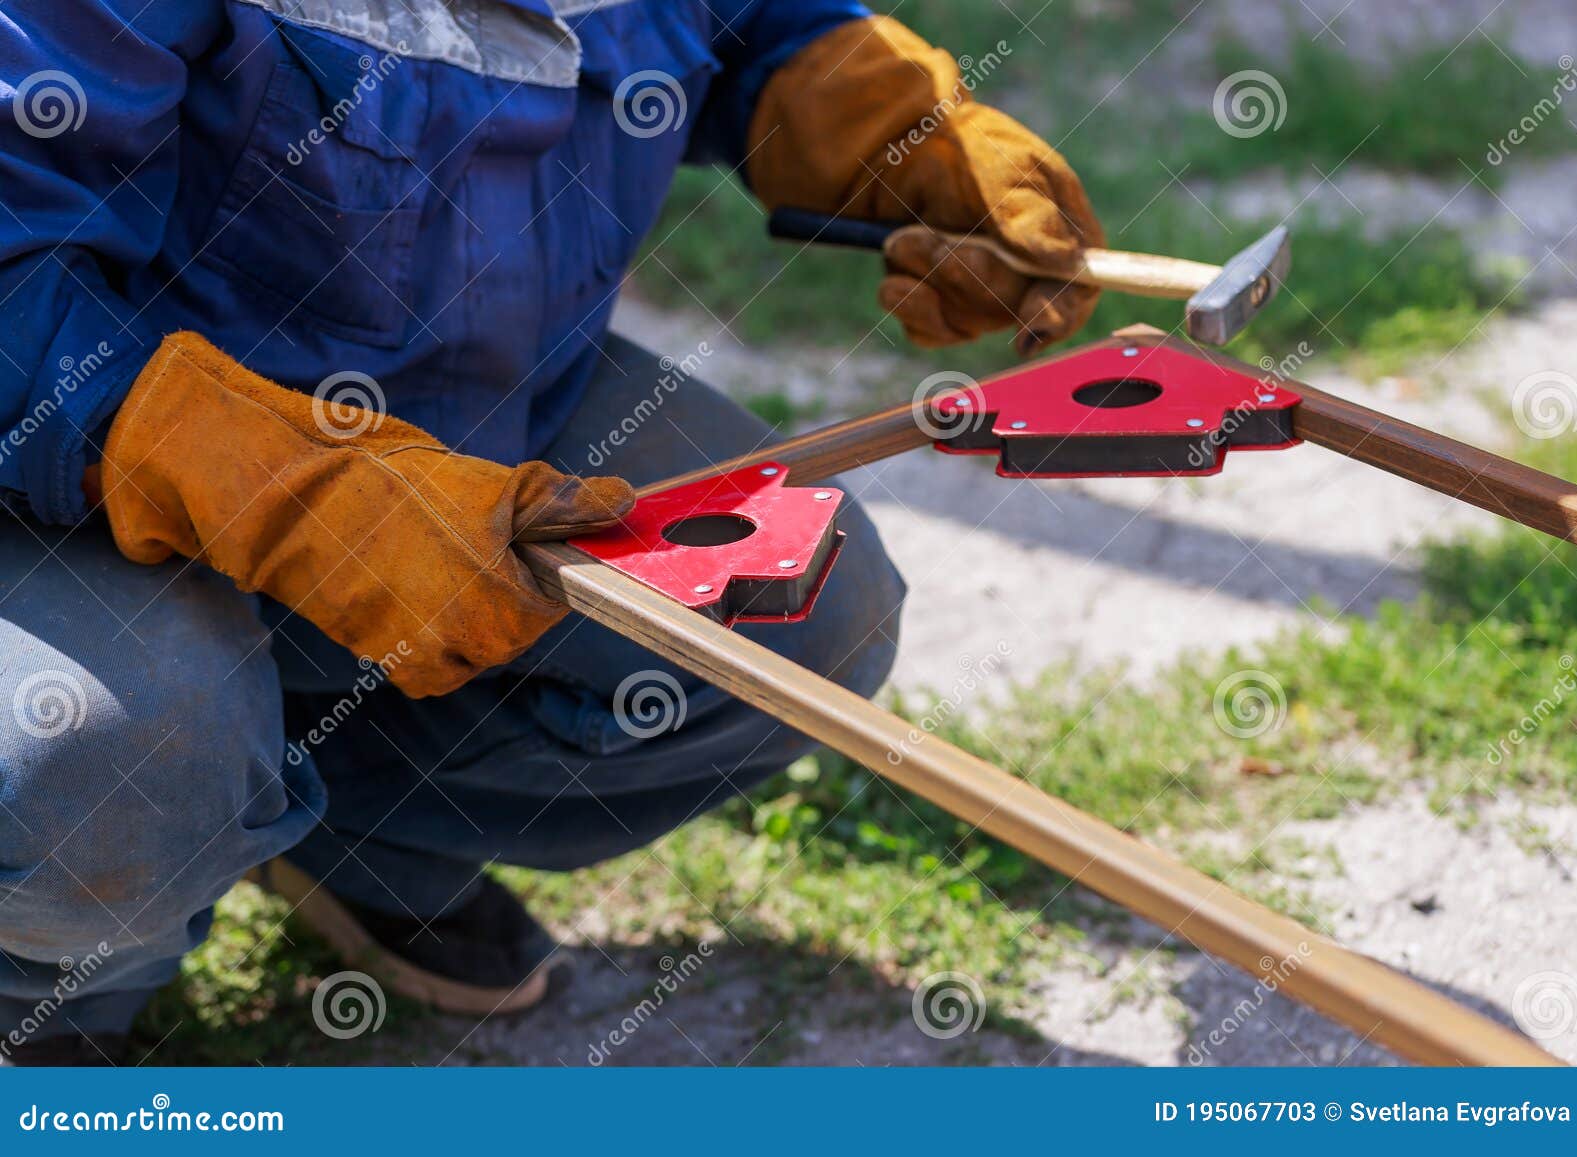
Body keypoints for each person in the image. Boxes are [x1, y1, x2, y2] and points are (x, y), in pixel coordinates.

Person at [0, 1, 1101, 1065]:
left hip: (468, 415)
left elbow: (748, 23)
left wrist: (887, 120)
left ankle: (358, 829)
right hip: (69, 474)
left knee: (809, 605)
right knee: (102, 763)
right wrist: (296, 492)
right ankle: (57, 987)